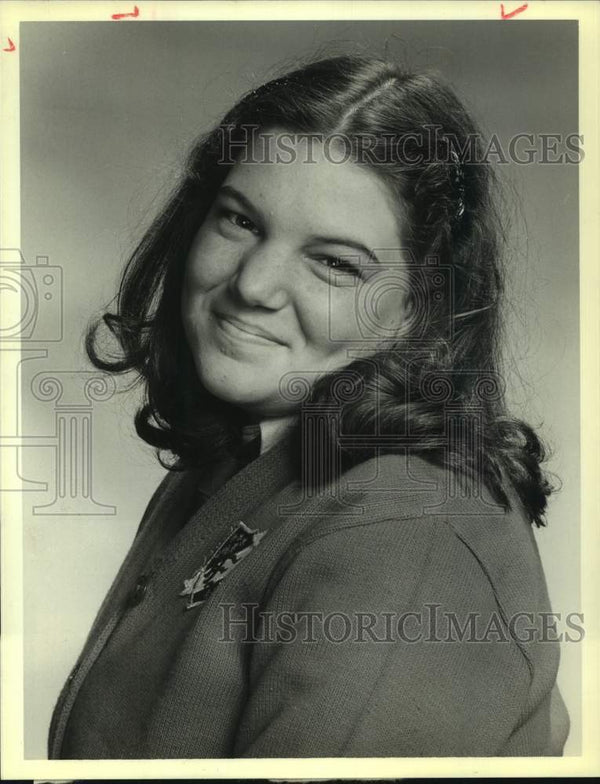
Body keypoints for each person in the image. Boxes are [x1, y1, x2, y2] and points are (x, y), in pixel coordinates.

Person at [48, 55, 570, 758]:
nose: (254, 284)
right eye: (240, 220)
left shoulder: (402, 534)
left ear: (418, 308)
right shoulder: (246, 460)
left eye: (333, 263)